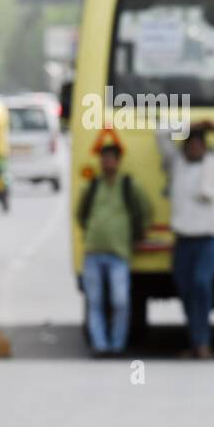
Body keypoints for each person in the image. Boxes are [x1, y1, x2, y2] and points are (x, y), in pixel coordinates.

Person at [157, 120, 214, 359]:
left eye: (200, 144)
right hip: (184, 240)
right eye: (191, 144)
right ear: (186, 147)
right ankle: (196, 342)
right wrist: (187, 125)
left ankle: (204, 341)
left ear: (206, 147)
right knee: (186, 291)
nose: (195, 148)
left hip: (209, 239)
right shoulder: (176, 164)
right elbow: (160, 134)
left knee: (201, 285)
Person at [75, 142, 151, 355]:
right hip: (93, 253)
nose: (107, 162)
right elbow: (81, 215)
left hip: (119, 253)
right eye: (104, 158)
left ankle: (117, 345)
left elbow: (145, 210)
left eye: (110, 158)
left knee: (120, 301)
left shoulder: (128, 186)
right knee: (95, 302)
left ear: (118, 162)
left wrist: (139, 234)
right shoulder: (91, 187)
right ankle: (100, 345)